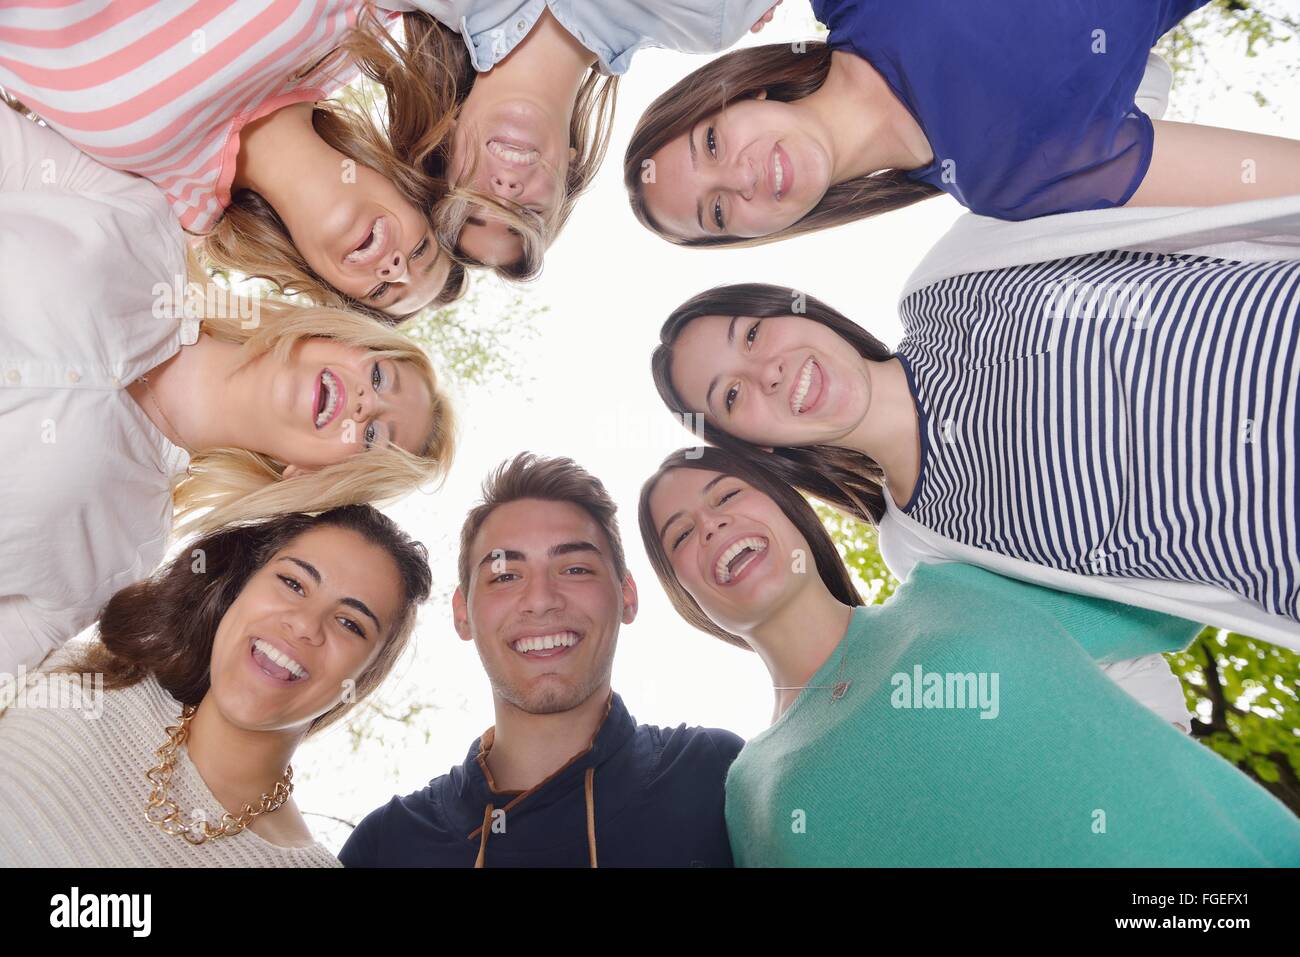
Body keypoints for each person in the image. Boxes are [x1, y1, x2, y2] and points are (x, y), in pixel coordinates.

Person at [640, 446, 1300, 865]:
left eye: (725, 495)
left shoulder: (960, 584)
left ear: (791, 510)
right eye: (681, 535)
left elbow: (1190, 553)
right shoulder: (752, 793)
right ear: (689, 596)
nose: (712, 525)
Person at [0, 104, 455, 674]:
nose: (366, 404)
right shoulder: (142, 219)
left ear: (310, 474)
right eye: (381, 377)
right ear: (334, 335)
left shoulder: (126, 550)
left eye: (373, 438)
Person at [650, 264, 1300, 645]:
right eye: (731, 394)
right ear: (756, 445)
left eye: (754, 332)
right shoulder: (924, 554)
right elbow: (1143, 631)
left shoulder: (954, 282)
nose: (764, 370)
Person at [624, 0, 1300, 248]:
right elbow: (1283, 184)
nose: (738, 178)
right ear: (755, 234)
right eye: (716, 211)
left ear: (737, 94)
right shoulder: (1010, 182)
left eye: (710, 144)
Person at [339, 453, 743, 866]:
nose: (541, 600)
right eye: (506, 576)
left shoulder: (717, 773)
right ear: (462, 613)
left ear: (627, 595)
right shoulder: (388, 846)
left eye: (575, 569)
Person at [0, 505, 432, 867]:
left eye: (349, 623)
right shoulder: (83, 679)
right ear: (239, 590)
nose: (304, 625)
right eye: (293, 583)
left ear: (364, 677)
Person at [0, 1, 472, 318]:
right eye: (421, 250)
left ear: (325, 281)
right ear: (414, 192)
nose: (395, 268)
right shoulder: (356, 31)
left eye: (382, 292)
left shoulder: (170, 211)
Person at [427, 0, 781, 278]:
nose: (504, 189)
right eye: (526, 212)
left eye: (472, 203)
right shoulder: (707, 19)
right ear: (570, 170)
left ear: (449, 136)